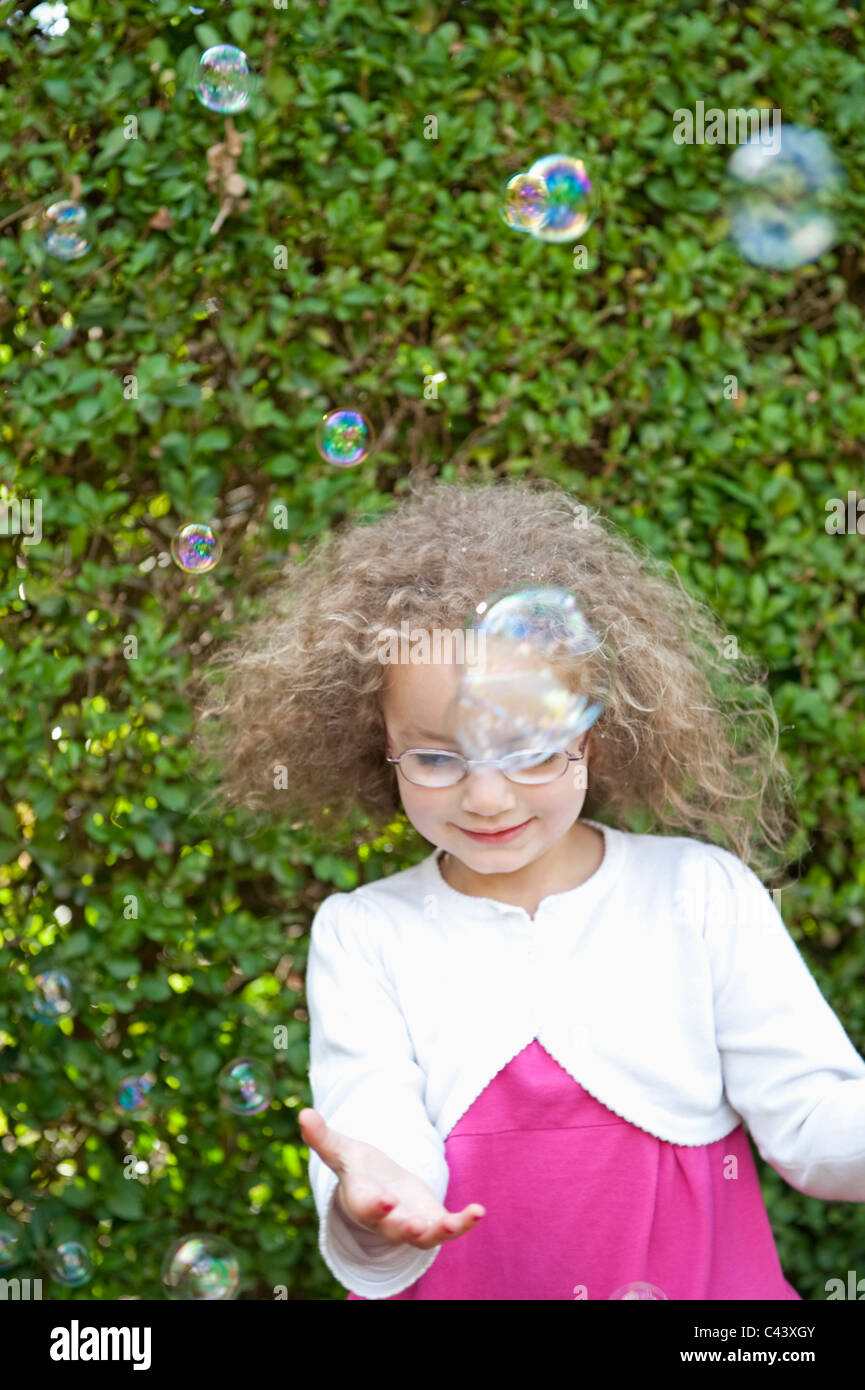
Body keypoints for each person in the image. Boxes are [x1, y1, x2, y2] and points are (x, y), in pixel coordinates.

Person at [197, 477, 865, 1300]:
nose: (486, 798)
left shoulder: (697, 894)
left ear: (593, 729)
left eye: (531, 749)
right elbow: (376, 1121)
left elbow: (810, 1121)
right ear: (380, 744)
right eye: (438, 758)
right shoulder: (364, 932)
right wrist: (375, 1196)